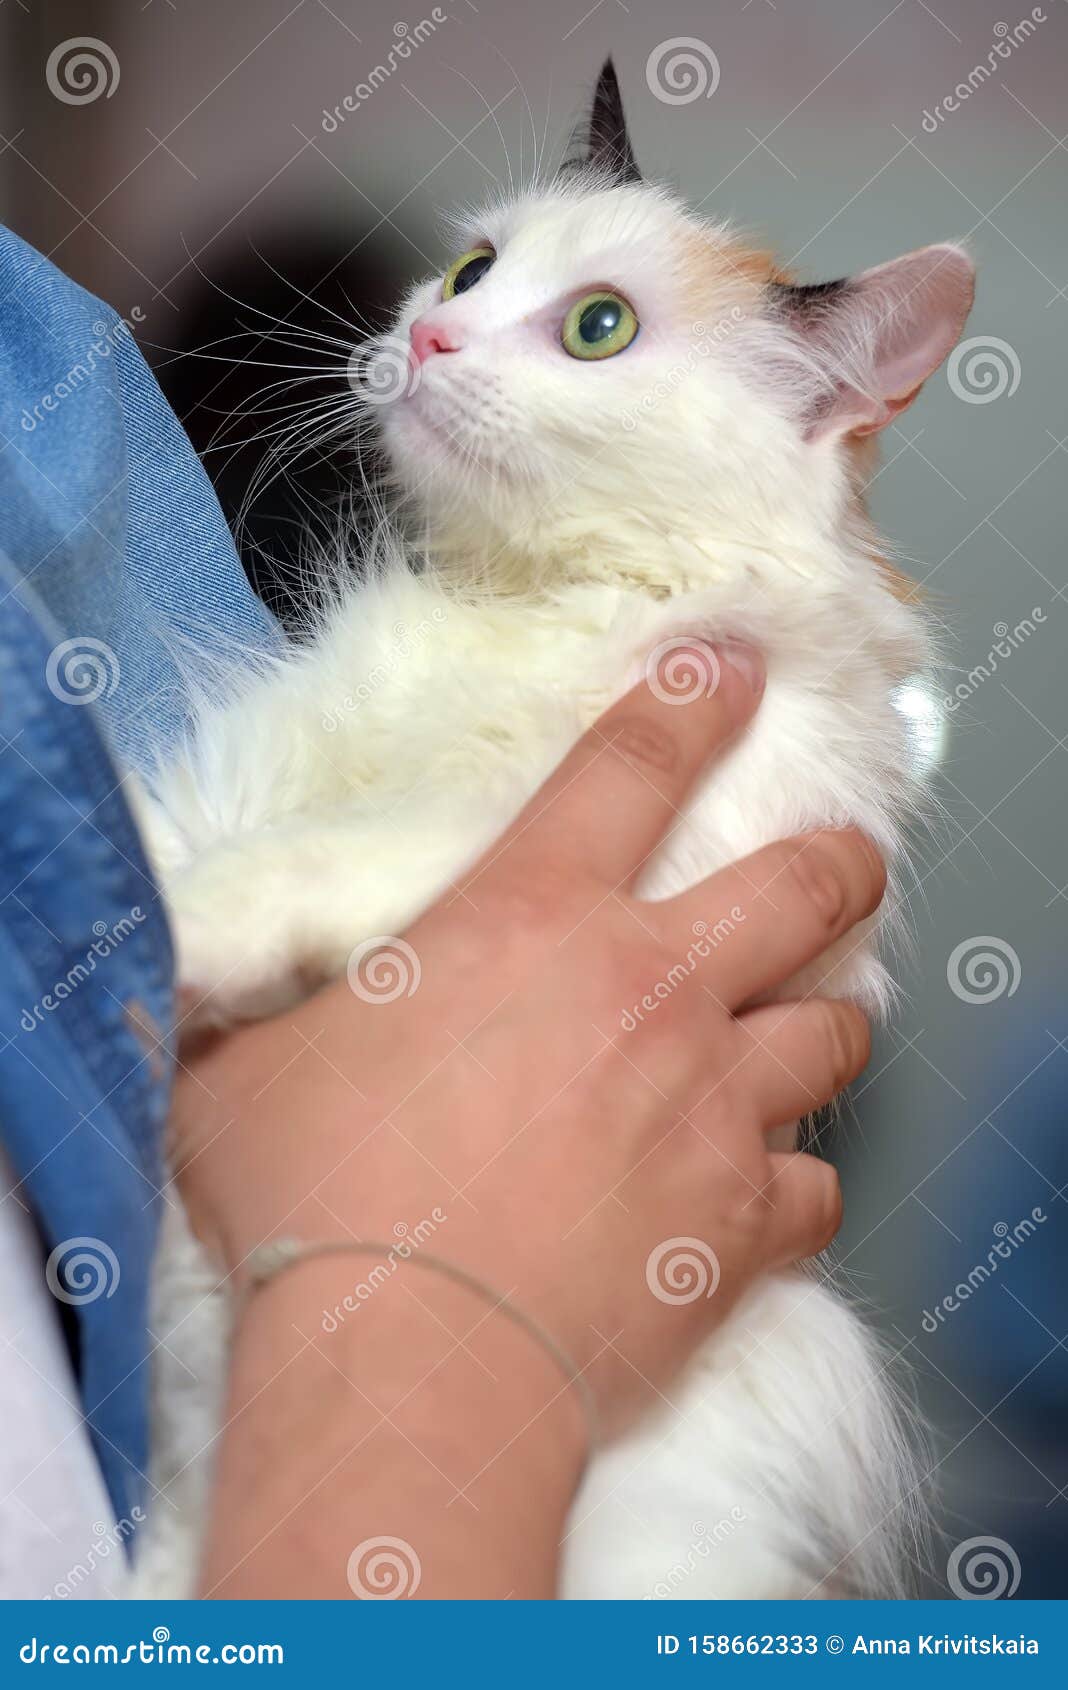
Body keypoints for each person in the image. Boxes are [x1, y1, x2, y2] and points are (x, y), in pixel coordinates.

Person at [0, 227, 882, 1599]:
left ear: (818, 413)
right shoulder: (393, 624)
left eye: (594, 325)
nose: (446, 326)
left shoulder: (772, 699)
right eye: (473, 273)